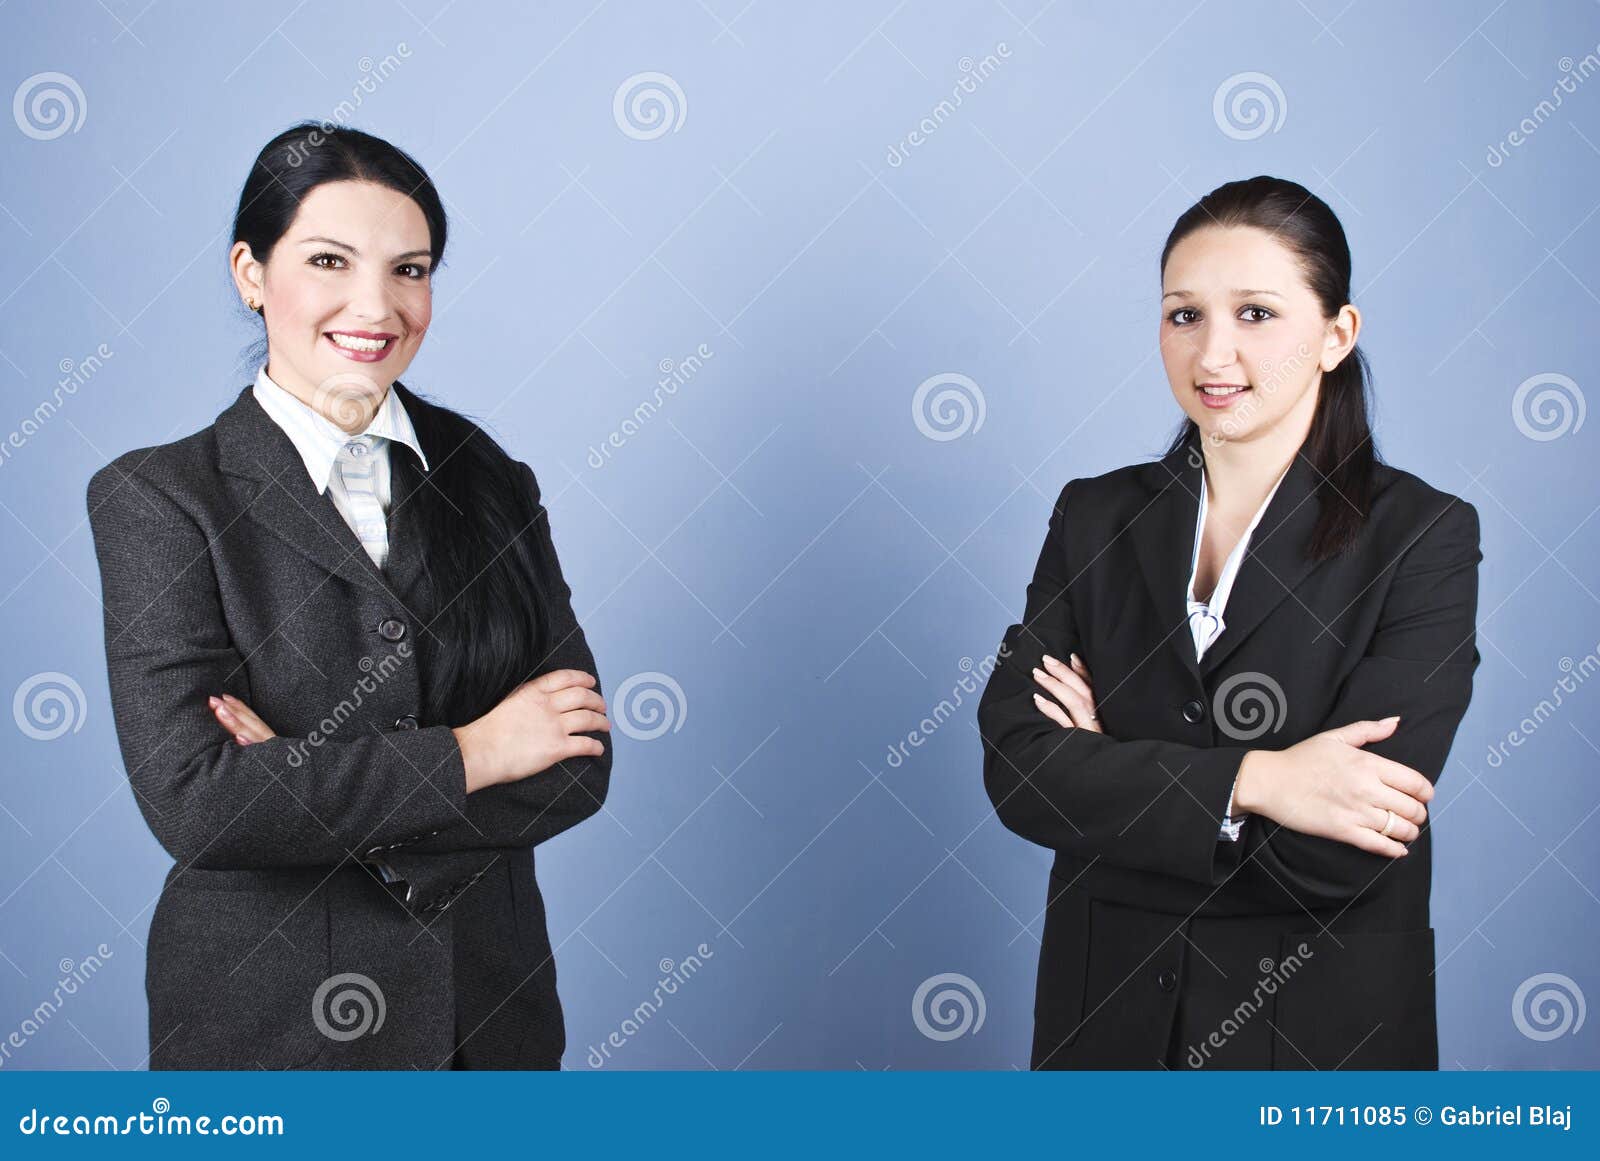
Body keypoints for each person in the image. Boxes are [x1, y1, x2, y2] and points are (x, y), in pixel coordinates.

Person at [86, 122, 611, 1070]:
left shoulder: (495, 480)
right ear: (251, 272)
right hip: (270, 1028)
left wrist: (296, 781)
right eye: (331, 259)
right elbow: (202, 805)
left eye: (411, 269)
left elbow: (576, 765)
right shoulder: (160, 496)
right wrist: (476, 748)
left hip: (488, 1017)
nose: (378, 304)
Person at [977, 176, 1481, 1070]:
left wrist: (1113, 773)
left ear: (1336, 335)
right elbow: (1025, 777)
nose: (1213, 353)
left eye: (1256, 314)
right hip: (1107, 1029)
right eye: (1183, 315)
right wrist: (1260, 778)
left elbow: (1346, 852)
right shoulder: (1094, 516)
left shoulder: (1423, 536)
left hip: (1315, 1043)